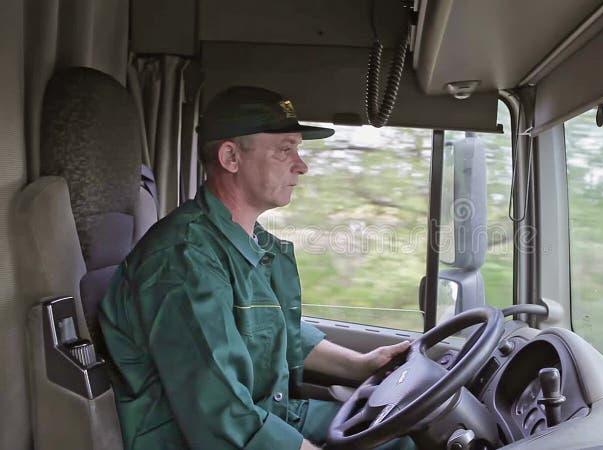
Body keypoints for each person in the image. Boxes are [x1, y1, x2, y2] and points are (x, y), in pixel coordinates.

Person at [99, 86, 415, 449]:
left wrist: (360, 365)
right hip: (191, 437)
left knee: (395, 432)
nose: (302, 165)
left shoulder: (242, 241)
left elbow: (272, 331)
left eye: (298, 148)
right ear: (231, 157)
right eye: (285, 150)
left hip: (268, 413)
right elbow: (222, 415)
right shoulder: (183, 261)